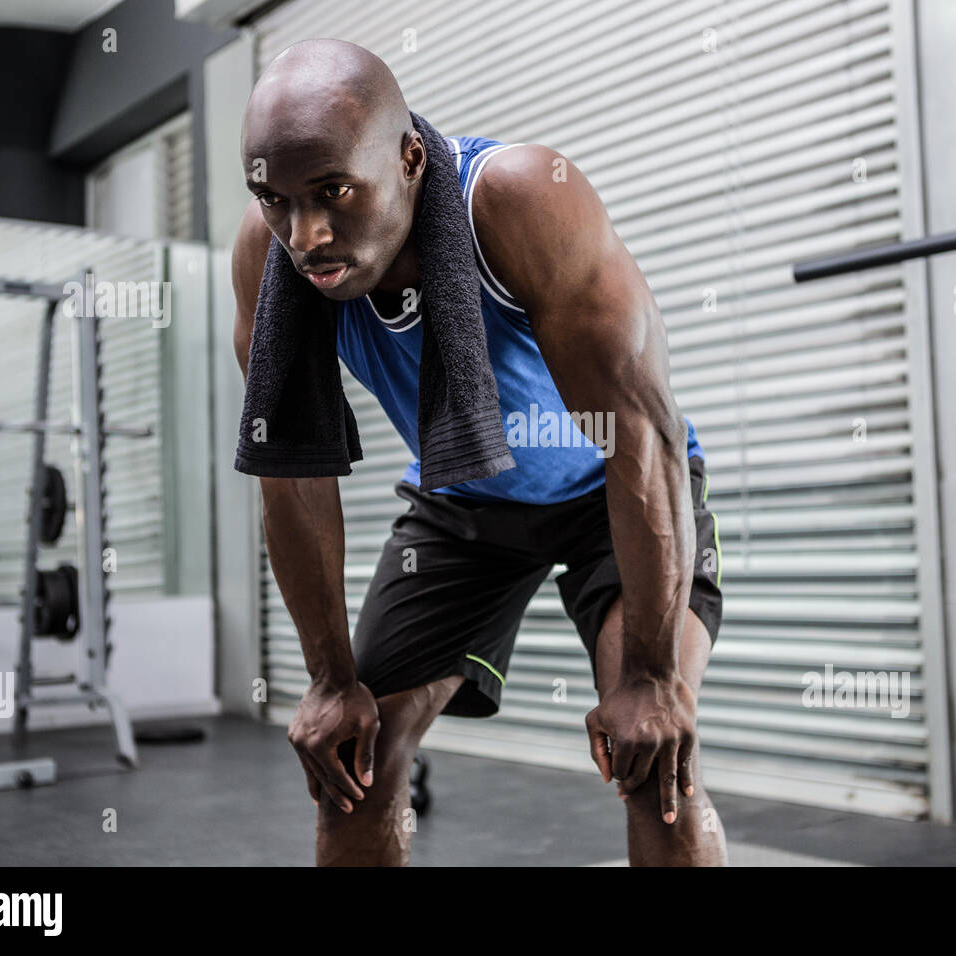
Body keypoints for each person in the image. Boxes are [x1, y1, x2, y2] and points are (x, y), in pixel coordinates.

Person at [232, 38, 726, 866]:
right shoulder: (270, 257)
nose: (305, 233)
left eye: (333, 192)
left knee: (656, 762)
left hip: (613, 490)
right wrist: (327, 679)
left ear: (410, 157)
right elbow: (292, 475)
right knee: (355, 759)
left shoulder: (522, 199)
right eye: (275, 200)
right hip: (463, 499)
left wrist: (649, 675)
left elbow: (641, 432)